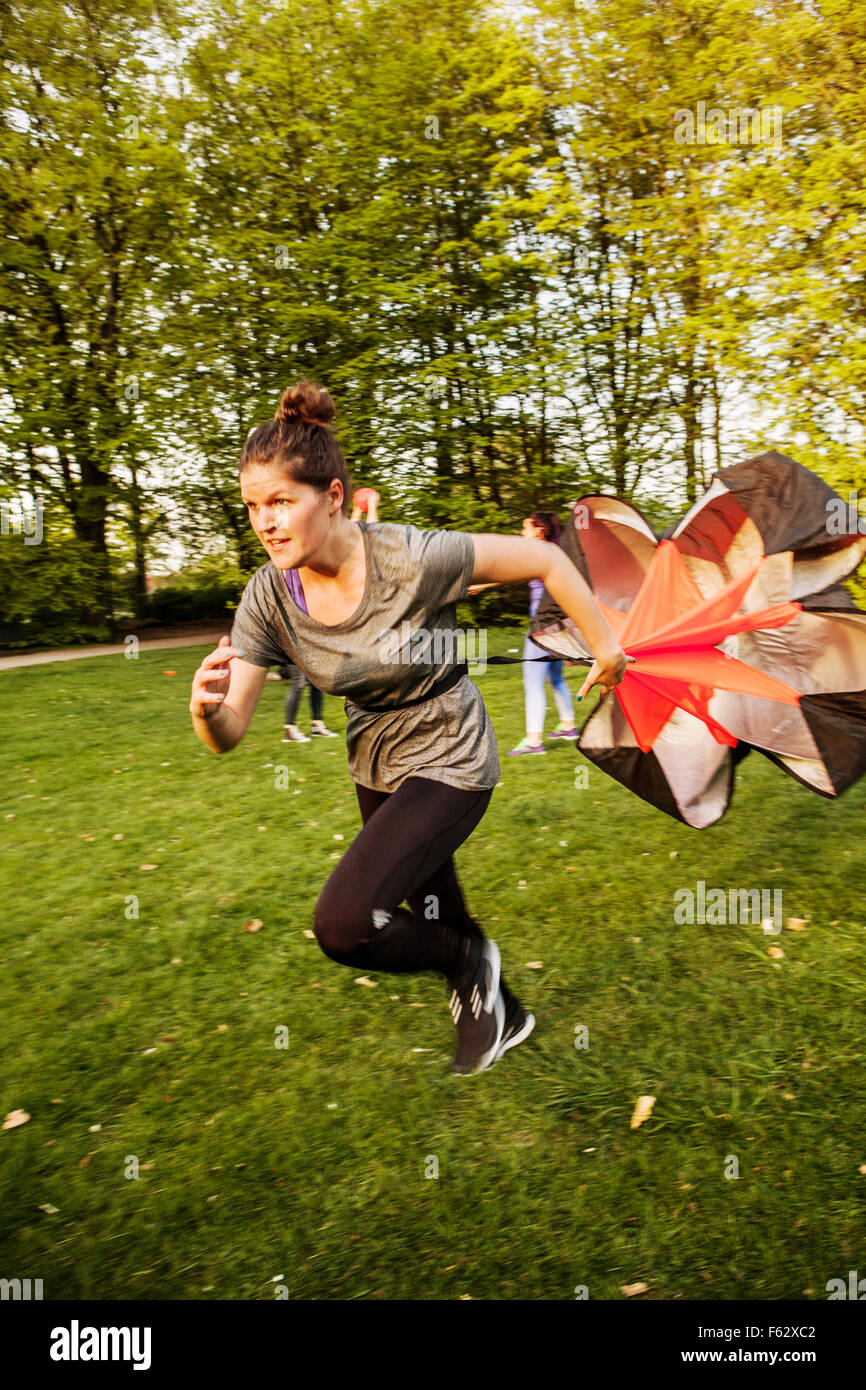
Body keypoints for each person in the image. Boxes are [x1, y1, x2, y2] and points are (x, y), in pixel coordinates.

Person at [189, 381, 628, 1074]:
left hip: (449, 748)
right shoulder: (269, 597)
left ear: (332, 496)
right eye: (252, 507)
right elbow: (232, 728)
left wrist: (604, 645)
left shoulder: (411, 557)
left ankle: (469, 964)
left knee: (344, 922)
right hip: (375, 760)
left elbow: (546, 559)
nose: (265, 522)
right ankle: (500, 1011)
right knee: (432, 908)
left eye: (281, 501)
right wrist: (206, 711)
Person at [508, 512, 578, 755]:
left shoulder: (537, 553)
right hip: (558, 627)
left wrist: (481, 583)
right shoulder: (556, 553)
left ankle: (533, 741)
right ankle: (568, 726)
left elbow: (507, 572)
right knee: (555, 678)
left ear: (539, 531)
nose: (521, 533)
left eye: (525, 528)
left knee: (532, 681)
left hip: (541, 626)